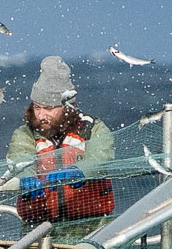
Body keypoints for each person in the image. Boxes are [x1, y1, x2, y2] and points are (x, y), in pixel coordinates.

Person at [8, 56, 116, 214]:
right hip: (38, 229)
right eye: (37, 108)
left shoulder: (93, 129)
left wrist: (80, 171)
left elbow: (101, 158)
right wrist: (26, 176)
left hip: (93, 226)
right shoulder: (25, 134)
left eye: (49, 109)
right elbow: (19, 156)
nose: (41, 115)